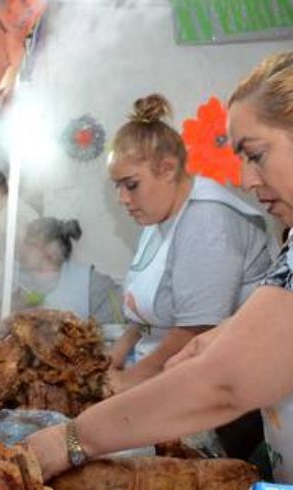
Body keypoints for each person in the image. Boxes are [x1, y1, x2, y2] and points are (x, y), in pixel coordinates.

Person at [26, 48, 293, 490]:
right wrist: (233, 332)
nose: (248, 180)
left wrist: (74, 439)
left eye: (256, 154)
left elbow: (223, 384)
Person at [107, 94, 272, 393]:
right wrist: (115, 355)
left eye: (131, 185)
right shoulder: (160, 214)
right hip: (163, 375)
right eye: (117, 186)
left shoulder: (207, 219)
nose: (122, 199)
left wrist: (130, 380)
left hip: (215, 385)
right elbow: (150, 313)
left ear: (168, 169)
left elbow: (196, 330)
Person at [13, 217, 121, 324]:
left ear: (51, 250)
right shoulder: (13, 278)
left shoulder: (90, 283)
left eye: (29, 244)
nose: (21, 249)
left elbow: (115, 328)